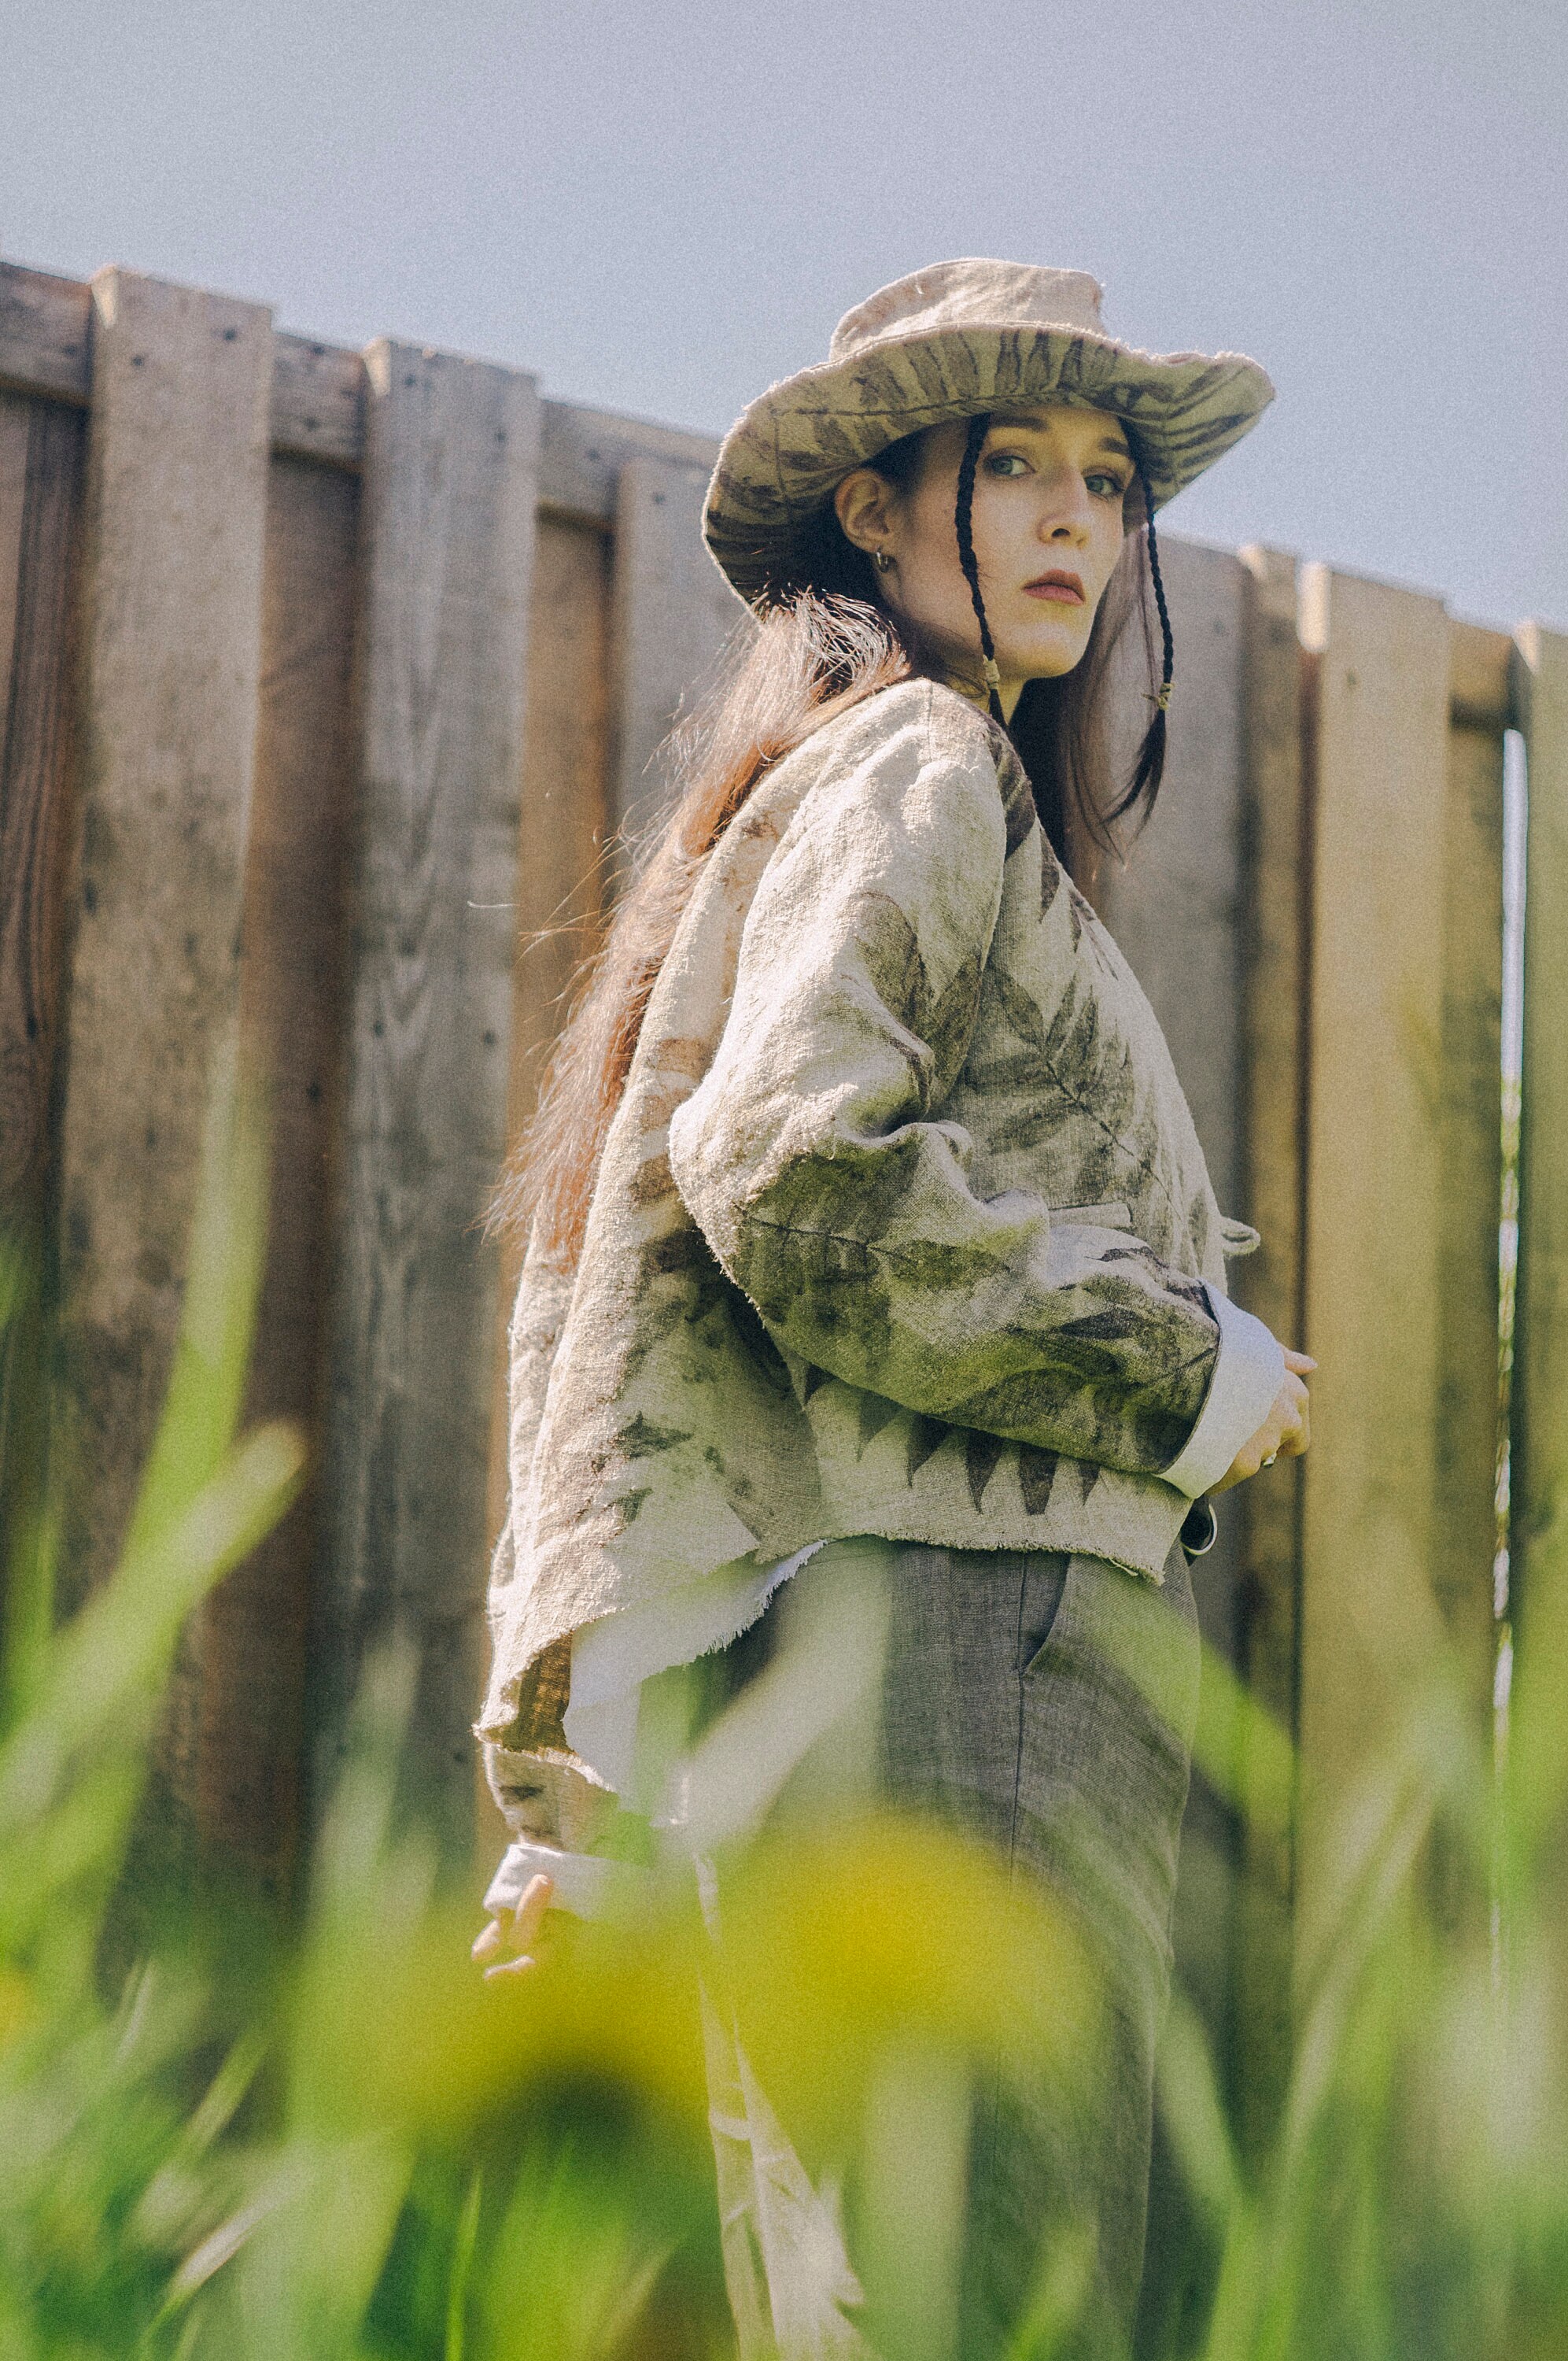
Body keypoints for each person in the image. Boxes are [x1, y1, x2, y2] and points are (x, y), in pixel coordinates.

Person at [471, 259, 1313, 2355]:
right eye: (1012, 465)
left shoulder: (869, 782)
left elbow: (653, 1308)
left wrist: (609, 1805)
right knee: (991, 2310)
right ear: (873, 510)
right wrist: (1186, 1366)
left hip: (870, 1678)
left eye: (1106, 480)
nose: (1074, 519)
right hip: (975, 1659)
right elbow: (789, 1170)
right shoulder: (924, 760)